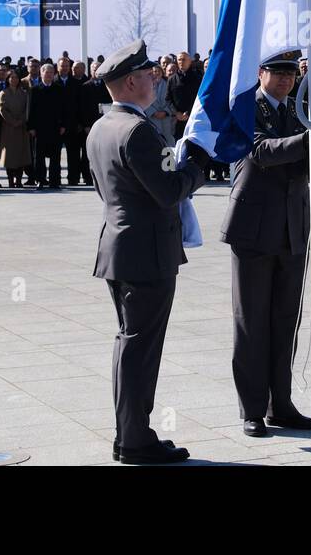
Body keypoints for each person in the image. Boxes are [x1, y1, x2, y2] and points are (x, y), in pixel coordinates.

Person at [88, 39, 210, 464]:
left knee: (132, 344)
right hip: (147, 252)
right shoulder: (139, 130)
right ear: (130, 81)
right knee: (141, 348)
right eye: (147, 74)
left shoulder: (102, 126)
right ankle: (135, 439)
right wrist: (197, 165)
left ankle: (131, 434)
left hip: (120, 248)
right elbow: (168, 191)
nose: (155, 78)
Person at [221, 49, 311, 437]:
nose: (285, 80)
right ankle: (253, 410)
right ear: (260, 73)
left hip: (292, 228)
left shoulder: (298, 111)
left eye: (291, 74)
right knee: (252, 322)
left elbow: (305, 162)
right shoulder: (245, 107)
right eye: (277, 73)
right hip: (254, 229)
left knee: (284, 322)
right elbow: (260, 152)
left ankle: (282, 403)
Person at [30, 62, 65, 189]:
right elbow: (31, 110)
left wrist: (63, 125)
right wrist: (32, 127)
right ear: (41, 73)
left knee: (55, 156)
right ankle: (40, 180)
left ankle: (54, 180)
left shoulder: (59, 89)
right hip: (40, 129)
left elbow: (63, 109)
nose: (49, 75)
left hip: (55, 128)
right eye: (46, 72)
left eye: (51, 72)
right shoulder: (35, 89)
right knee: (39, 157)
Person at [0, 71, 32, 188]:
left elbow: (26, 109)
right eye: (11, 77)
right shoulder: (4, 93)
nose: (14, 80)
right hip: (9, 128)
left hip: (21, 128)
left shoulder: (23, 93)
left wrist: (21, 120)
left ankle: (19, 180)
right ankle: (10, 181)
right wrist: (12, 121)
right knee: (10, 156)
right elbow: (2, 109)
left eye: (16, 77)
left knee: (21, 155)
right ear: (8, 79)